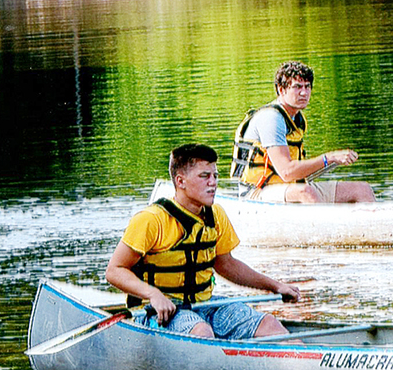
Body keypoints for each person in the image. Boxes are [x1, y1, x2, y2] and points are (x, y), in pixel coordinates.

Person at [106, 143, 302, 338]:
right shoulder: (151, 220)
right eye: (204, 176)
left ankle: (299, 357)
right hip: (159, 311)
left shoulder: (216, 214)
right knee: (201, 331)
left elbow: (227, 265)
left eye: (215, 176)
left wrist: (276, 286)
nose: (213, 183)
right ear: (180, 181)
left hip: (205, 305)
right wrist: (153, 294)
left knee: (269, 324)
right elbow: (114, 271)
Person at [229, 60, 375, 204]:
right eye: (297, 87)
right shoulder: (272, 118)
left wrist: (333, 161)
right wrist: (329, 158)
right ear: (281, 90)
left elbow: (295, 174)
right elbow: (286, 172)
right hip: (257, 192)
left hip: (291, 187)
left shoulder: (298, 118)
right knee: (306, 192)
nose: (304, 93)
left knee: (362, 190)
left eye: (307, 86)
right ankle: (323, 220)